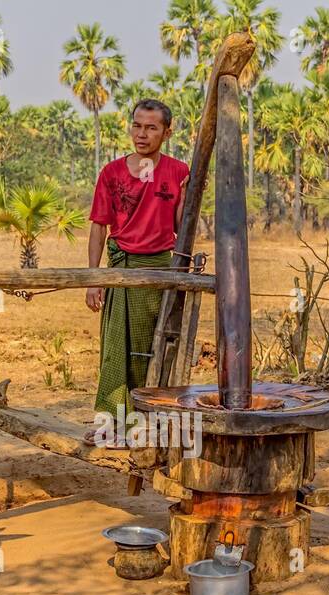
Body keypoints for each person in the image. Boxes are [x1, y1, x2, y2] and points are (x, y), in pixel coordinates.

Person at [84, 98, 189, 445]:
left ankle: (151, 424)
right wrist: (94, 279)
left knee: (153, 350)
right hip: (119, 269)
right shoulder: (111, 174)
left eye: (151, 127)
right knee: (116, 350)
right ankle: (111, 423)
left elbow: (182, 227)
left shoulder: (178, 172)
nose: (142, 134)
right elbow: (99, 228)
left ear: (166, 132)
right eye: (137, 126)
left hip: (158, 271)